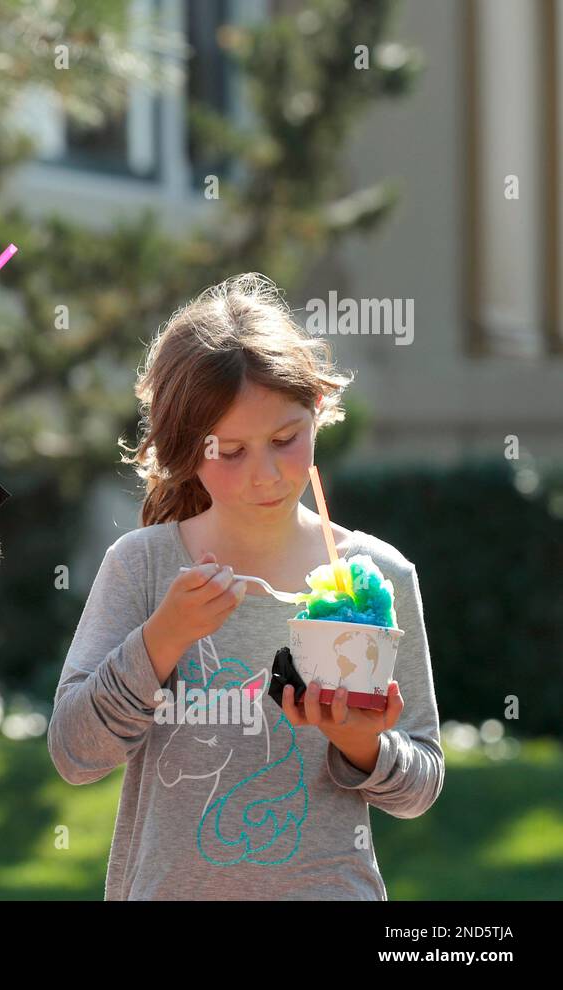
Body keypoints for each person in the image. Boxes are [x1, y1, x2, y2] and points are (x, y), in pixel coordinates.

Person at [47, 273, 443, 900]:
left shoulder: (380, 573)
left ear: (317, 410)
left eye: (286, 440)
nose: (265, 474)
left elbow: (420, 787)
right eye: (230, 451)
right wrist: (162, 637)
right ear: (184, 452)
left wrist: (359, 742)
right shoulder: (144, 567)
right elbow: (75, 754)